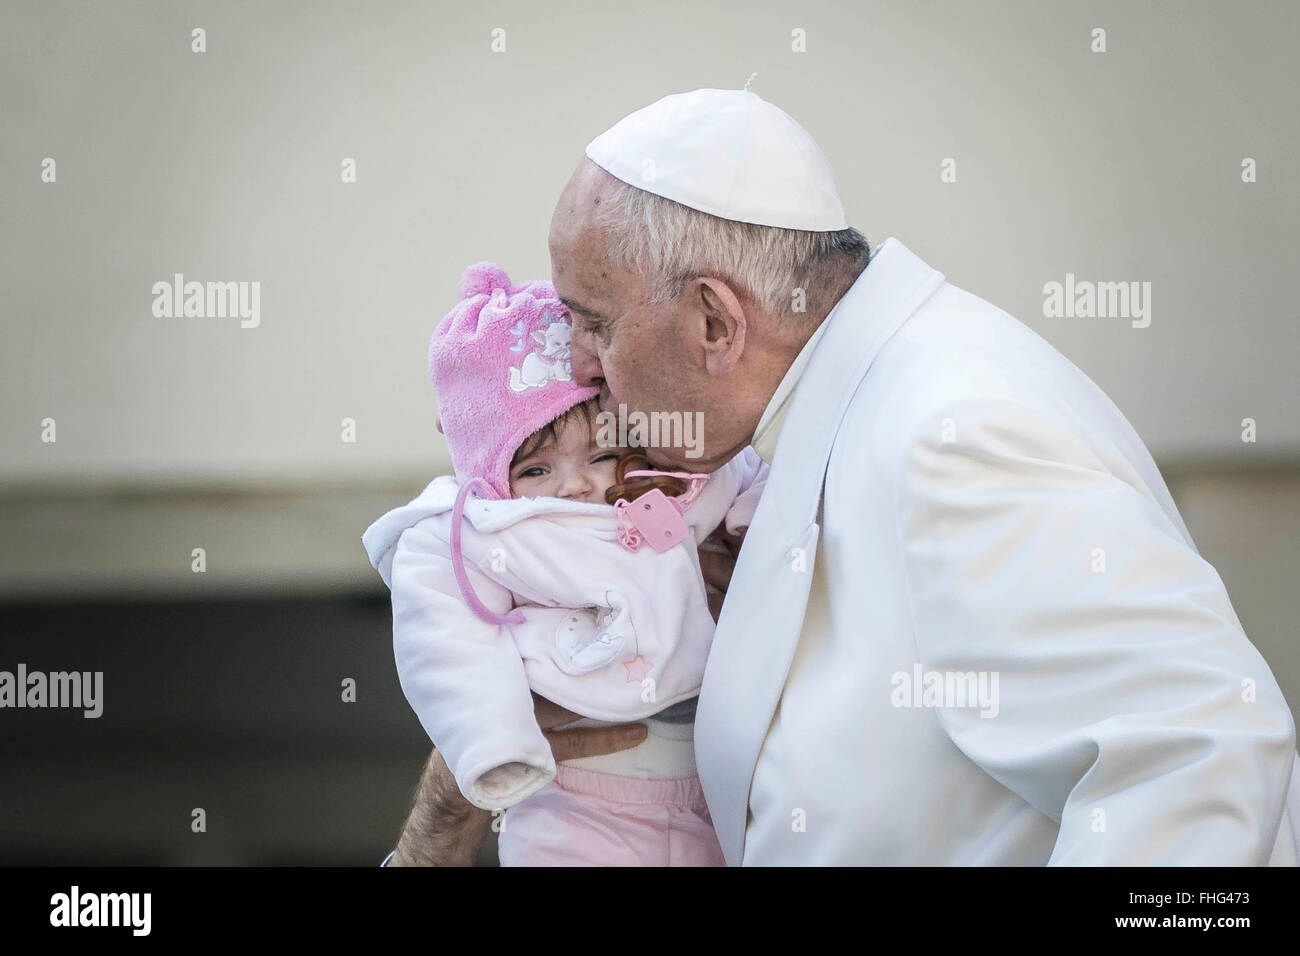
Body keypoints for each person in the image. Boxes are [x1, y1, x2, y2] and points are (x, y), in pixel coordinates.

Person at [389, 87, 1300, 865]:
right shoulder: (823, 422)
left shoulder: (953, 428)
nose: (580, 369)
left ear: (715, 321)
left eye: (594, 323)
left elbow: (1198, 757)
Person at [364, 261, 766, 865]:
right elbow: (449, 644)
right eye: (534, 470)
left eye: (602, 452)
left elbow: (746, 475)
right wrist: (491, 746)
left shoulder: (660, 486)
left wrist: (765, 537)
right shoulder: (480, 533)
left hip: (713, 785)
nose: (575, 486)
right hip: (574, 798)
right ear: (490, 477)